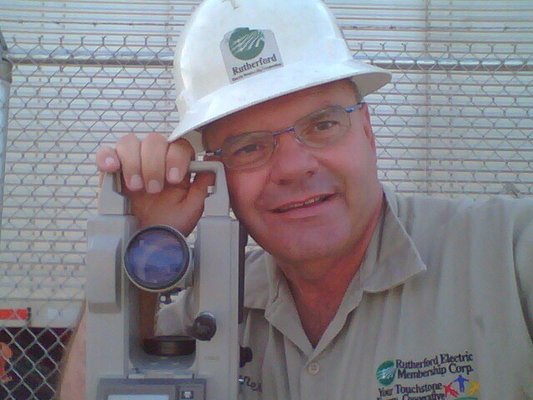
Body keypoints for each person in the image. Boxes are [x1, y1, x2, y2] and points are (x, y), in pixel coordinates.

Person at [60, 0, 533, 399]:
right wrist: (139, 241)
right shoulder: (213, 304)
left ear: (367, 131)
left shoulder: (507, 258)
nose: (293, 167)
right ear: (216, 174)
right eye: (249, 147)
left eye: (322, 125)